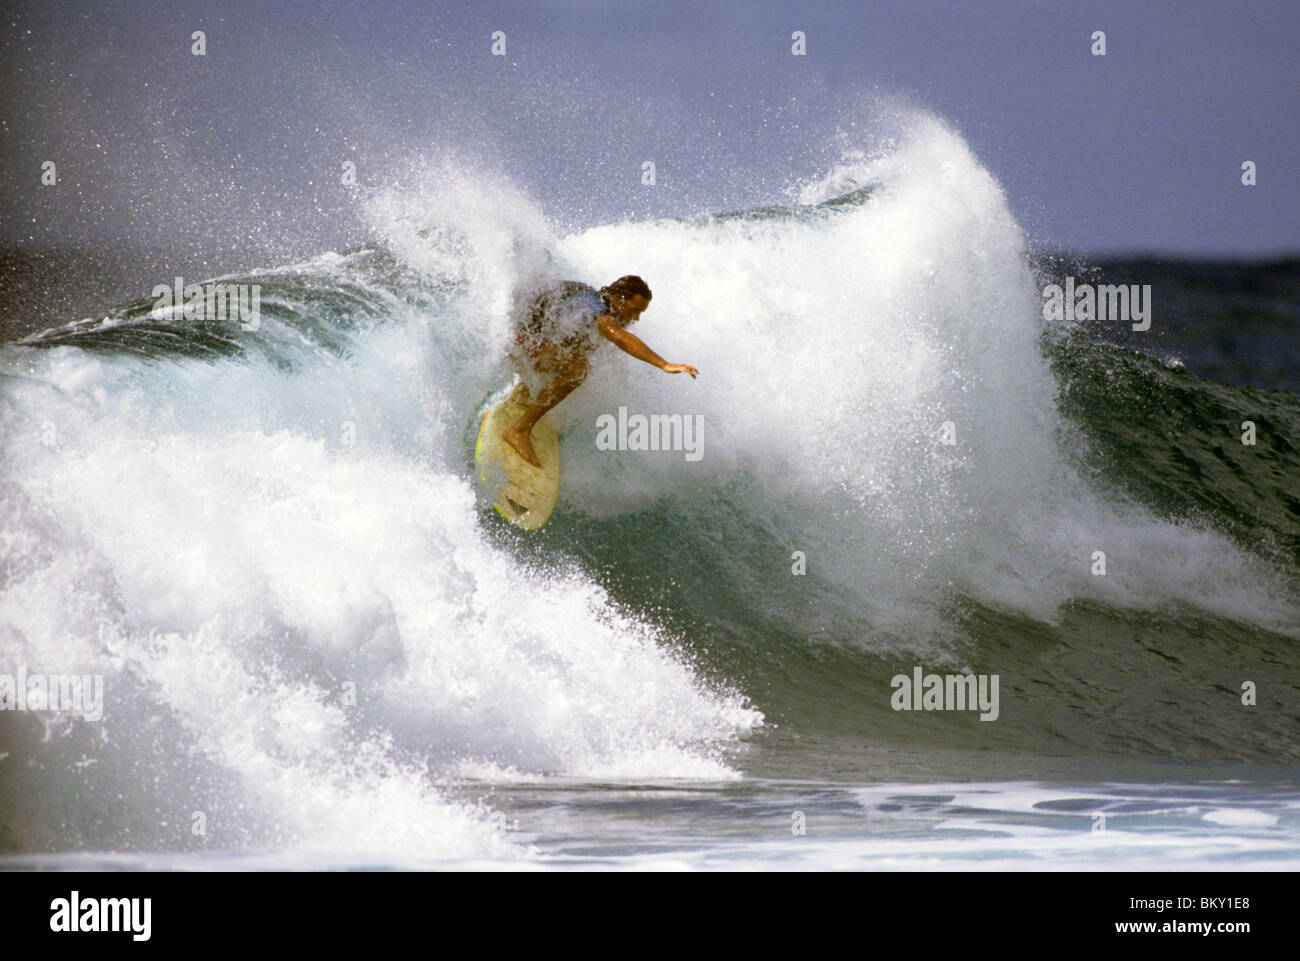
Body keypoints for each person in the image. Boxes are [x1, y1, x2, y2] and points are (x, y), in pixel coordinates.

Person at [502, 275, 697, 467]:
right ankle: (519, 430)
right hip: (515, 342)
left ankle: (524, 393)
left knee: (584, 348)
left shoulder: (593, 302)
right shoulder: (595, 307)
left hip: (522, 337)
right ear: (619, 299)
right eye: (634, 310)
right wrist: (663, 364)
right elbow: (618, 336)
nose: (636, 318)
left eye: (640, 313)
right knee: (579, 369)